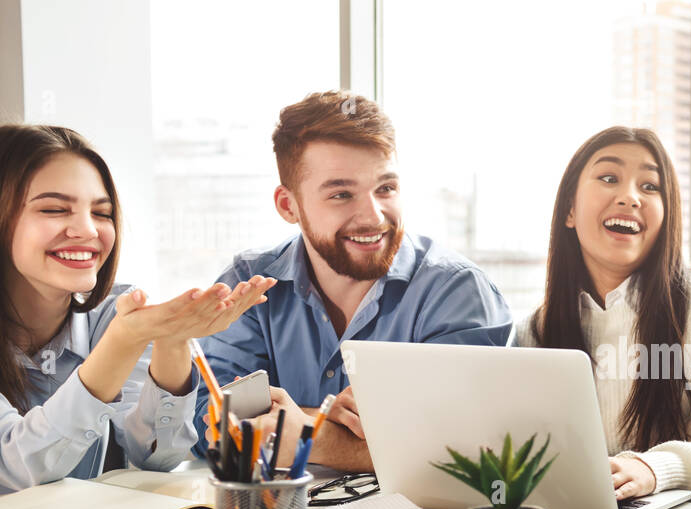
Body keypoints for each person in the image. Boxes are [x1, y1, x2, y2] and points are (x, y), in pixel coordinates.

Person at [193, 91, 513, 471]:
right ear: (288, 206)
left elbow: (471, 447)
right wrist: (327, 420)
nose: (373, 216)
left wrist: (313, 438)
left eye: (386, 189)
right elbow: (208, 425)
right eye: (342, 194)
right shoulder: (250, 284)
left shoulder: (457, 293)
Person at [0, 124, 273, 493]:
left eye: (102, 212)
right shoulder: (122, 330)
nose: (87, 229)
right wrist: (122, 343)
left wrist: (173, 340)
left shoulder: (115, 314)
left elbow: (158, 457)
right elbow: (18, 470)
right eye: (53, 209)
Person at [514, 126, 691, 499]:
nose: (630, 197)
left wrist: (654, 468)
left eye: (650, 187)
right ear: (569, 209)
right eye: (608, 178)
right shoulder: (535, 331)